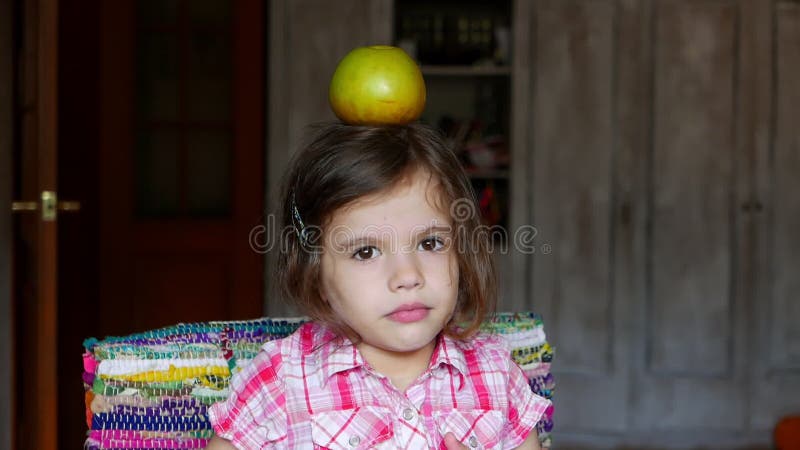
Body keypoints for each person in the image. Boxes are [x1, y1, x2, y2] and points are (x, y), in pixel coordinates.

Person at [205, 123, 551, 449]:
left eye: (430, 244)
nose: (407, 276)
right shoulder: (280, 382)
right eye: (365, 251)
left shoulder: (496, 374)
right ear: (315, 273)